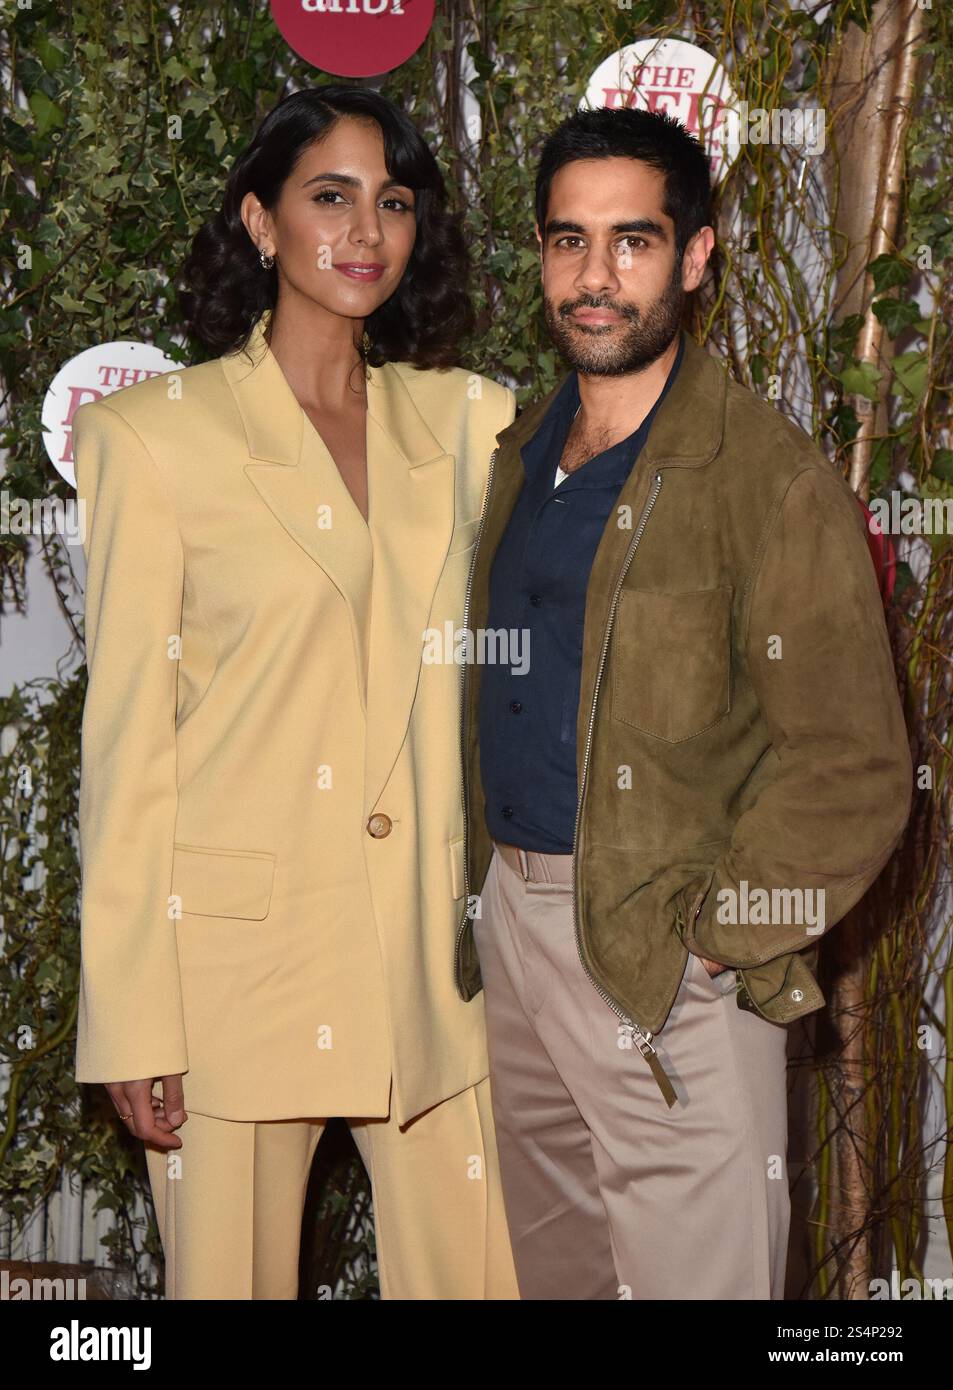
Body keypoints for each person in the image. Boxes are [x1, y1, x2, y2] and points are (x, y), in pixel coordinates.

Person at [457, 106, 913, 1300]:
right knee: (558, 1278)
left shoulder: (768, 479)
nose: (593, 278)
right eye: (567, 241)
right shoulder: (522, 451)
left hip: (670, 960)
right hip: (518, 924)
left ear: (696, 256)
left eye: (632, 241)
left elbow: (855, 764)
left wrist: (719, 933)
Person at [72, 85, 518, 1300]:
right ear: (261, 222)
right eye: (330, 196)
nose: (365, 227)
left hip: (438, 972)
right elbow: (125, 750)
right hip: (229, 983)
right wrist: (130, 1019)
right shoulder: (151, 439)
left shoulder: (473, 423)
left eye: (393, 202)